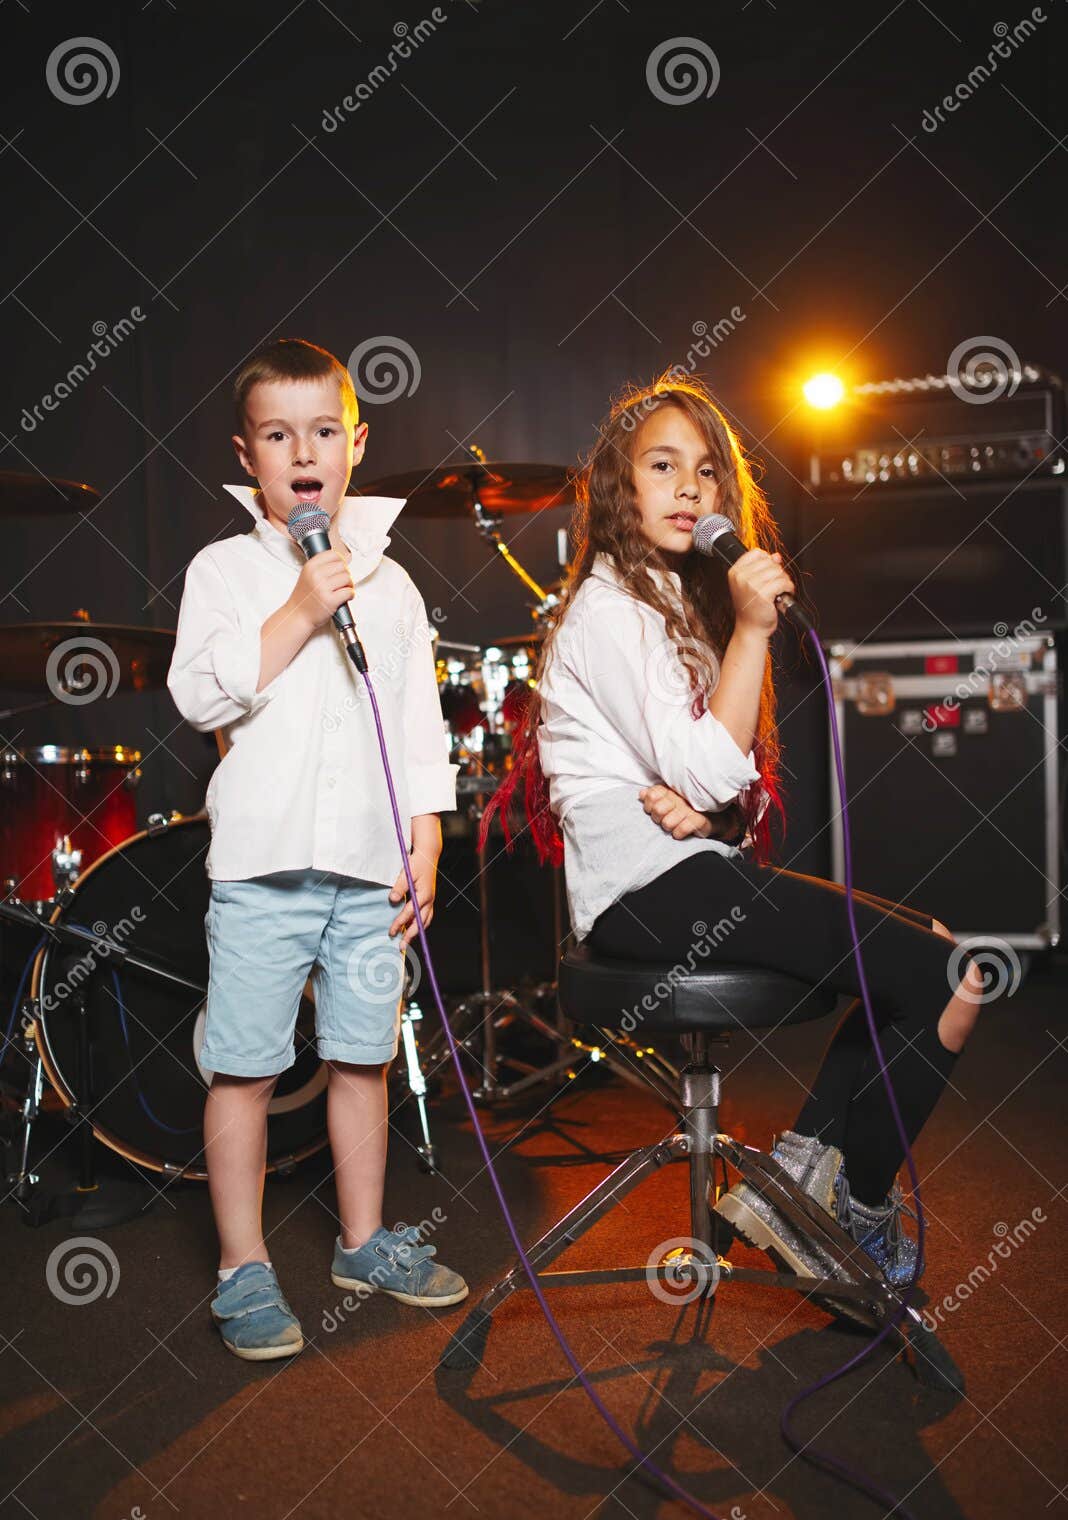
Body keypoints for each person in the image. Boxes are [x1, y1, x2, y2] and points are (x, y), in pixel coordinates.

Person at [487, 373, 986, 1291]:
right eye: (662, 466)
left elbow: (728, 793)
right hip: (649, 899)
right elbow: (713, 765)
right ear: (619, 488)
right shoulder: (610, 614)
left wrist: (709, 805)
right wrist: (750, 641)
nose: (687, 487)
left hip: (691, 878)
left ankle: (803, 1175)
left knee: (940, 957)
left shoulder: (670, 605)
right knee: (947, 978)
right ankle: (852, 1214)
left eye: (706, 472)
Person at [168, 337, 468, 1361]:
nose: (305, 448)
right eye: (279, 432)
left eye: (325, 430)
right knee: (245, 1068)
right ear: (249, 453)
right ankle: (242, 1264)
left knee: (362, 1056)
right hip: (260, 872)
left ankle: (363, 1239)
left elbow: (418, 729)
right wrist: (298, 609)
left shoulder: (391, 586)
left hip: (368, 868)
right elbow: (201, 694)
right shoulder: (225, 570)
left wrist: (425, 843)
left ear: (356, 442)